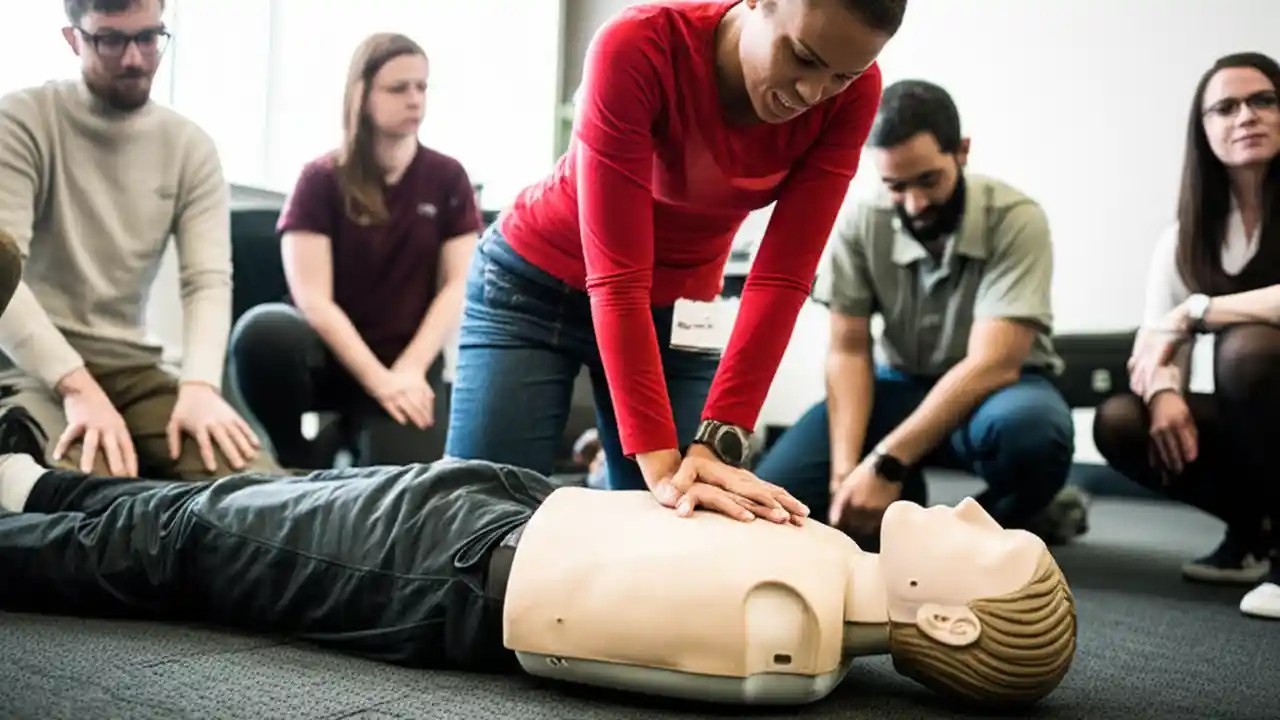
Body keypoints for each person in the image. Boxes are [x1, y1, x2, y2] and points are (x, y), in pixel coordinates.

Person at [0, 410, 1076, 711]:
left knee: (197, 543)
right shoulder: (825, 570)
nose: (974, 511)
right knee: (230, 502)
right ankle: (34, 485)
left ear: (943, 622)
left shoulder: (789, 633)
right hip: (511, 509)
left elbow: (562, 642)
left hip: (456, 569)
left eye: (986, 547)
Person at [444, 0, 906, 523]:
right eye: (800, 57)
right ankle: (613, 456)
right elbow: (618, 278)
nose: (812, 93)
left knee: (680, 525)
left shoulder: (854, 95)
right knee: (484, 518)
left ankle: (609, 462)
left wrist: (717, 441)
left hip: (677, 308)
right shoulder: (638, 46)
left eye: (841, 76)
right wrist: (663, 469)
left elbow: (781, 278)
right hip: (534, 286)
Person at [754, 80, 1086, 546]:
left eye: (928, 180)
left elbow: (994, 363)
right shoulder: (860, 224)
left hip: (994, 395)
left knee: (1033, 436)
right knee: (779, 496)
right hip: (899, 387)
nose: (916, 203)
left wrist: (887, 461)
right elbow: (848, 351)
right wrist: (847, 474)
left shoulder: (1016, 218)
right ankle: (908, 502)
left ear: (962, 152)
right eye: (896, 186)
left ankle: (1008, 516)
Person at [0, 0, 274, 480]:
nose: (134, 59)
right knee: (93, 494)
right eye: (110, 39)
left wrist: (200, 386)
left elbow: (206, 281)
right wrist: (77, 387)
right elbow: (4, 279)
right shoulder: (21, 122)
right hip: (31, 365)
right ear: (73, 38)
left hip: (132, 367)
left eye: (148, 37)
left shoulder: (189, 147)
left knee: (255, 488)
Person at [229, 33, 481, 469]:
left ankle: (345, 441)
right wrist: (378, 381)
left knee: (407, 485)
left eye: (421, 87)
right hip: (327, 357)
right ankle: (297, 458)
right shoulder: (320, 179)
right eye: (398, 88)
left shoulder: (448, 178)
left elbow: (458, 285)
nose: (414, 99)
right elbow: (314, 301)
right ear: (362, 94)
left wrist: (407, 372)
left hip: (406, 361)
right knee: (263, 331)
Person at [1092, 52, 1280, 620]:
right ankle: (1254, 533)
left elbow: (1184, 318)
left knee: (1246, 350)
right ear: (1204, 131)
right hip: (1256, 422)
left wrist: (1201, 309)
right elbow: (1155, 340)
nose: (1245, 115)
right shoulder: (1185, 236)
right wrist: (1164, 394)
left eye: (1264, 100)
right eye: (1225, 107)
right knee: (1123, 420)